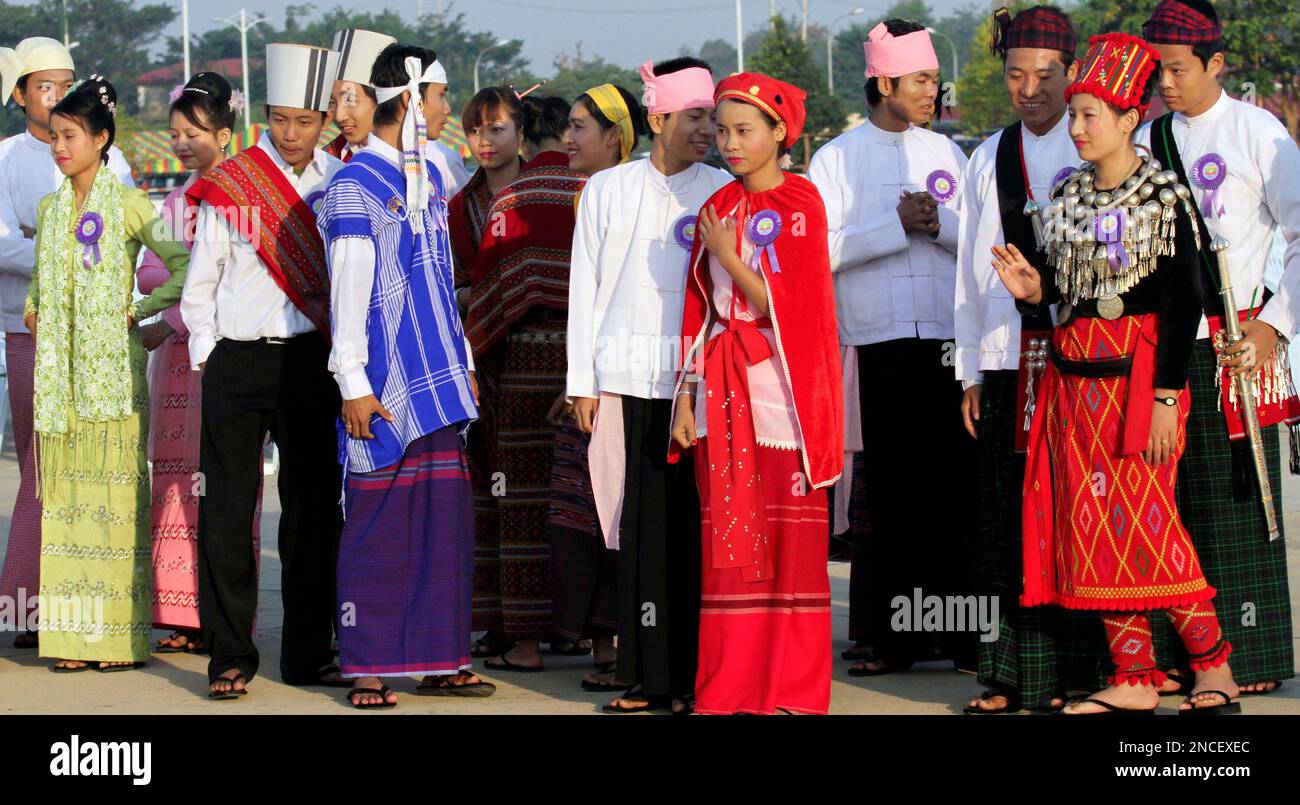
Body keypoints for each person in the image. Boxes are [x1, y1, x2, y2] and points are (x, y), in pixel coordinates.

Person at [995, 31, 1242, 714]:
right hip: (1074, 382)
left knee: (1148, 523)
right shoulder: (1068, 194)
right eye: (1072, 113)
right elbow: (1061, 286)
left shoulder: (1164, 195)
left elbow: (1183, 299)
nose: (1075, 127)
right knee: (1091, 526)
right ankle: (1133, 674)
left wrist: (1167, 395)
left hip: (1138, 381)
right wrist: (1030, 288)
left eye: (1089, 114)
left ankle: (1212, 659)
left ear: (1130, 118)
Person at [320, 43, 494, 708]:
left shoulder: (432, 177)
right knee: (378, 526)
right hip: (384, 384)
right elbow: (349, 290)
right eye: (443, 97)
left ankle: (441, 658)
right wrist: (353, 385)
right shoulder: (353, 183)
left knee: (442, 526)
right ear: (414, 101)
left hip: (438, 376)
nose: (449, 110)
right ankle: (367, 663)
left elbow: (444, 284)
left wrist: (465, 363)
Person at [1138, 0, 1299, 698]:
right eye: (1158, 70)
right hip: (1169, 346)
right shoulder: (1146, 139)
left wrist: (1275, 325)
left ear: (1216, 64)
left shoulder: (1258, 132)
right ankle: (1189, 653)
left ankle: (1254, 653)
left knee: (1236, 498)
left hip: (1238, 343)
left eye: (1178, 68)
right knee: (1170, 502)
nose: (1167, 82)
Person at [808, 18, 976, 676]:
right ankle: (894, 638)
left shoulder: (947, 153)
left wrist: (939, 225)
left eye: (934, 78)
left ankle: (961, 637)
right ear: (884, 82)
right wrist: (893, 226)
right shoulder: (835, 158)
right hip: (877, 344)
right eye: (922, 79)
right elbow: (817, 253)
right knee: (895, 496)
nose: (934, 90)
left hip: (942, 340)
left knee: (952, 491)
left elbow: (977, 245)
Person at [669, 72, 842, 715]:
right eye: (722, 131)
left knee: (789, 547)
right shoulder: (720, 207)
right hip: (723, 389)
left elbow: (785, 304)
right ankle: (729, 689)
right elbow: (701, 314)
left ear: (780, 132)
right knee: (730, 549)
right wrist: (685, 398)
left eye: (745, 131)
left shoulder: (802, 202)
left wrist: (729, 256)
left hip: (786, 398)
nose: (730, 144)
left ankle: (792, 691)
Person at [954, 6, 1107, 714]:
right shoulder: (988, 156)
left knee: (1079, 513)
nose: (1031, 89)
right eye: (1017, 74)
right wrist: (971, 371)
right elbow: (968, 274)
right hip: (1009, 358)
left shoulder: (1093, 152)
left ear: (1071, 73)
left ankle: (1086, 668)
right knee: (1007, 519)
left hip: (1078, 356)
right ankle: (1010, 672)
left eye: (1046, 75)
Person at [181, 43, 346, 699]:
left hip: (310, 359)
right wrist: (207, 358)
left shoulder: (340, 180)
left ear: (323, 120)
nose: (289, 133)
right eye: (278, 119)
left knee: (312, 511)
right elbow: (202, 283)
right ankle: (228, 654)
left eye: (303, 120)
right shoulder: (236, 183)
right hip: (238, 357)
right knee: (225, 510)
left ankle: (308, 653)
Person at [568, 60, 730, 712]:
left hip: (701, 388)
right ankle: (645, 674)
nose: (709, 130)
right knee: (638, 535)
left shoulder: (722, 189)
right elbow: (586, 288)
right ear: (658, 119)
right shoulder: (607, 190)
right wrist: (583, 380)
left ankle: (698, 676)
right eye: (696, 117)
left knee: (695, 532)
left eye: (713, 118)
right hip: (627, 383)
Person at [26, 76, 189, 671]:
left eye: (70, 136)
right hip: (60, 383)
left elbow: (182, 262)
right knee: (65, 506)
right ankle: (70, 642)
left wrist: (140, 310)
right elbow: (40, 286)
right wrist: (32, 311)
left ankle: (117, 641)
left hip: (113, 384)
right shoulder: (49, 210)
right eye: (54, 137)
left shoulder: (130, 204)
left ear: (101, 138)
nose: (59, 147)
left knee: (115, 508)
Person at [0, 37, 135, 649]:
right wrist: (61, 249)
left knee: (94, 471)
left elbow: (128, 247)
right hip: (29, 331)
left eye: (65, 82)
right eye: (43, 85)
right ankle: (27, 606)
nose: (55, 95)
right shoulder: (5, 159)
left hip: (102, 341)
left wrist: (54, 241)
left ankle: (91, 609)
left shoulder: (117, 161)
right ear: (21, 94)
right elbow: (4, 245)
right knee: (41, 465)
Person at [464, 85, 590, 673]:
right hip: (586, 368)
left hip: (518, 368)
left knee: (518, 503)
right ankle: (596, 634)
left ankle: (525, 644)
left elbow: (484, 299)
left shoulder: (510, 199)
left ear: (524, 132)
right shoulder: (595, 191)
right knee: (585, 504)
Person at [138, 71, 264, 655]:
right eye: (176, 132)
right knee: (173, 482)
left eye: (196, 131)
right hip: (175, 365)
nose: (184, 142)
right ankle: (177, 612)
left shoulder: (241, 194)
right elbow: (151, 272)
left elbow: (231, 282)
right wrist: (183, 288)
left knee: (223, 487)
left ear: (227, 133)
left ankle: (220, 617)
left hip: (219, 354)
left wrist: (176, 308)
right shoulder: (172, 199)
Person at [448, 87, 527, 659]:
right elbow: (450, 281)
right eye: (476, 130)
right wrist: (480, 294)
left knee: (548, 493)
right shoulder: (460, 206)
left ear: (520, 134)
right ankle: (501, 621)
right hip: (485, 359)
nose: (485, 141)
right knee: (491, 494)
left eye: (497, 129)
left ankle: (561, 622)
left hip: (550, 358)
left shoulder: (549, 194)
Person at [323, 28, 397, 163]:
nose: (339, 116)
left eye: (349, 100)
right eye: (331, 102)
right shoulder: (326, 162)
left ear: (381, 100)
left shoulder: (418, 159)